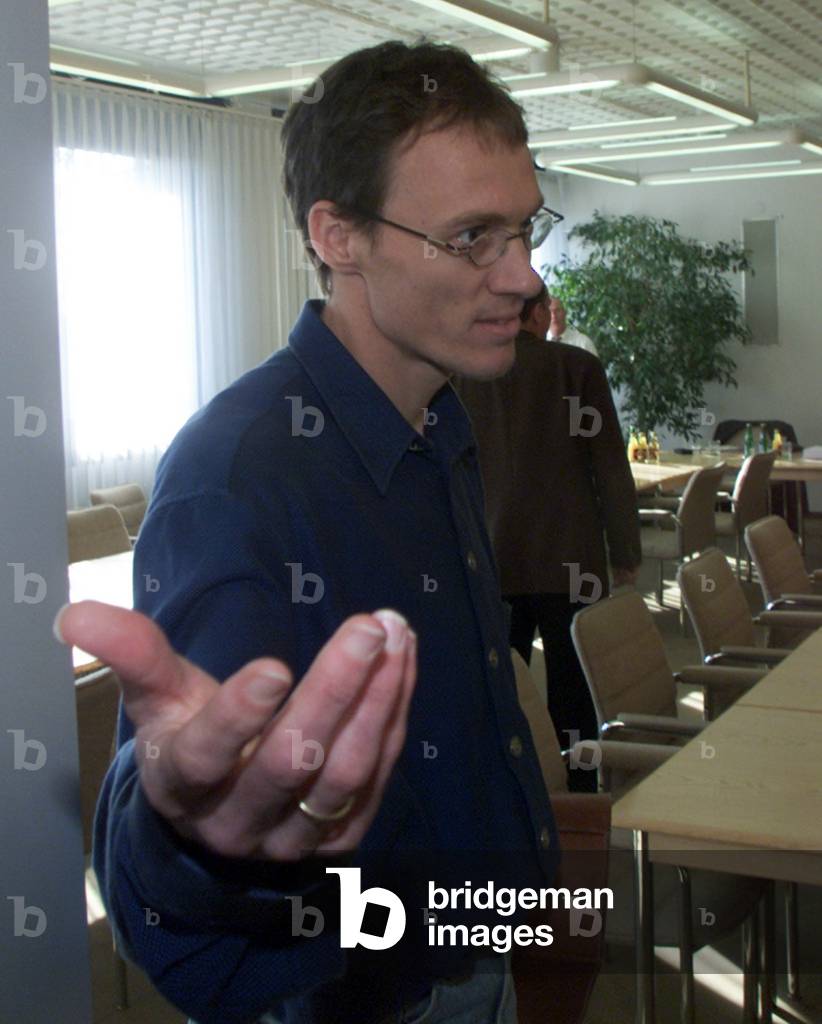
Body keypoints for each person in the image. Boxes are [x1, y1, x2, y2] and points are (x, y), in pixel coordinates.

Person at [56, 41, 562, 1024]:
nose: (525, 277)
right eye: (472, 238)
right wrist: (186, 827)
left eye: (524, 228)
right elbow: (177, 818)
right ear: (339, 236)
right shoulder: (239, 473)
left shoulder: (438, 425)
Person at [456, 283, 641, 789]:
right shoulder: (577, 368)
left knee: (503, 687)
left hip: (495, 559)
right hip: (571, 560)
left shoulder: (463, 375)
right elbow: (609, 466)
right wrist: (625, 550)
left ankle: (510, 788)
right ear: (538, 313)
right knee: (572, 687)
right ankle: (579, 794)